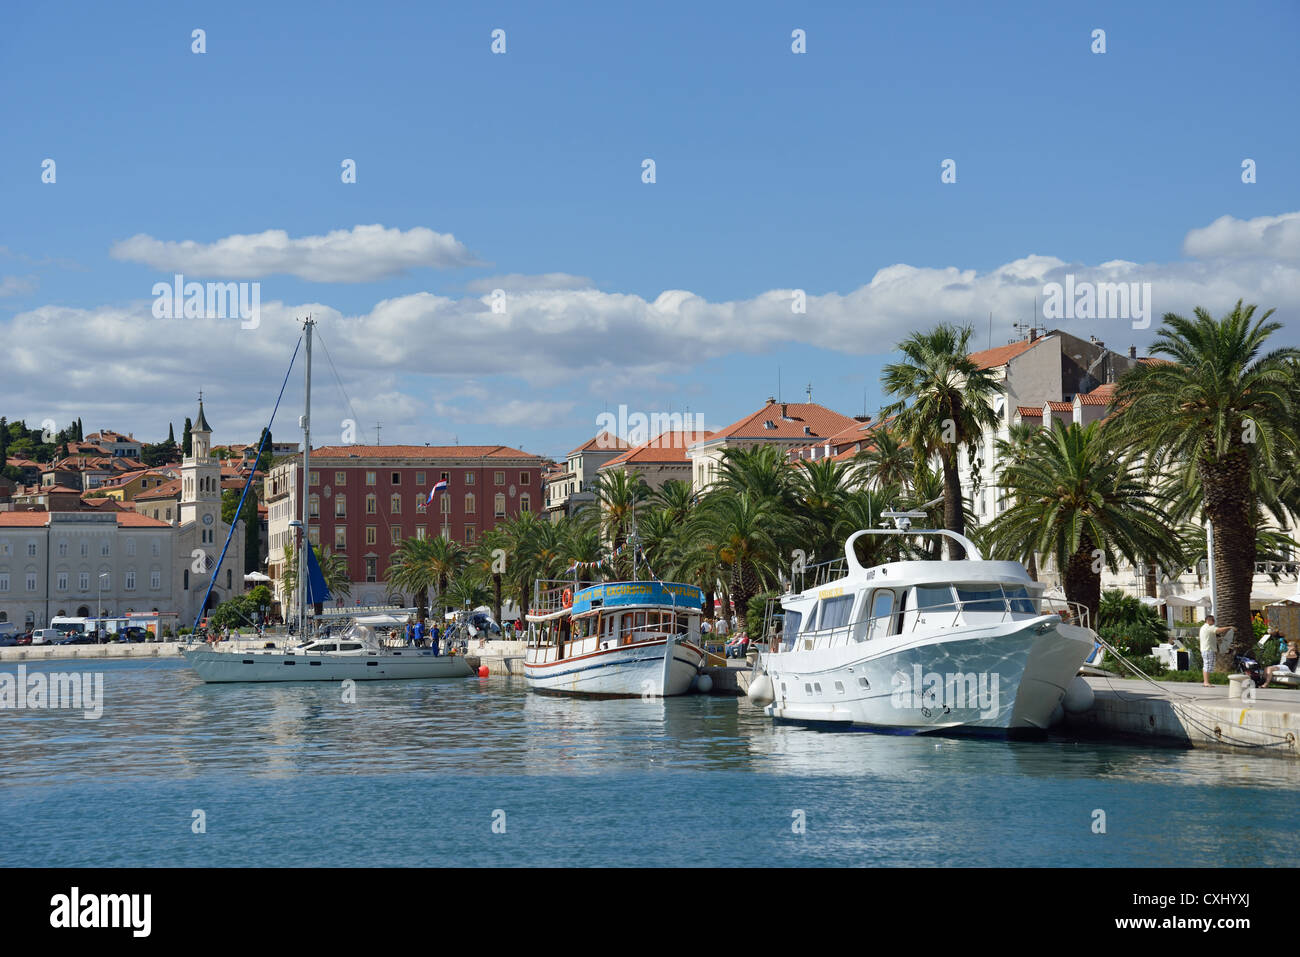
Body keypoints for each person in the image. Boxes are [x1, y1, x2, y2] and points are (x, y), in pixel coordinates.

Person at [1199, 614, 1232, 687]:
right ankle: (1206, 682)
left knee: (1208, 665)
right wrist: (1229, 627)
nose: (1214, 622)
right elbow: (1219, 630)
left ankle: (1206, 681)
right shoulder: (1208, 627)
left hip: (1207, 649)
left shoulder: (1205, 628)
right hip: (1208, 649)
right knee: (1207, 665)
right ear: (1208, 620)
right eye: (1213, 620)